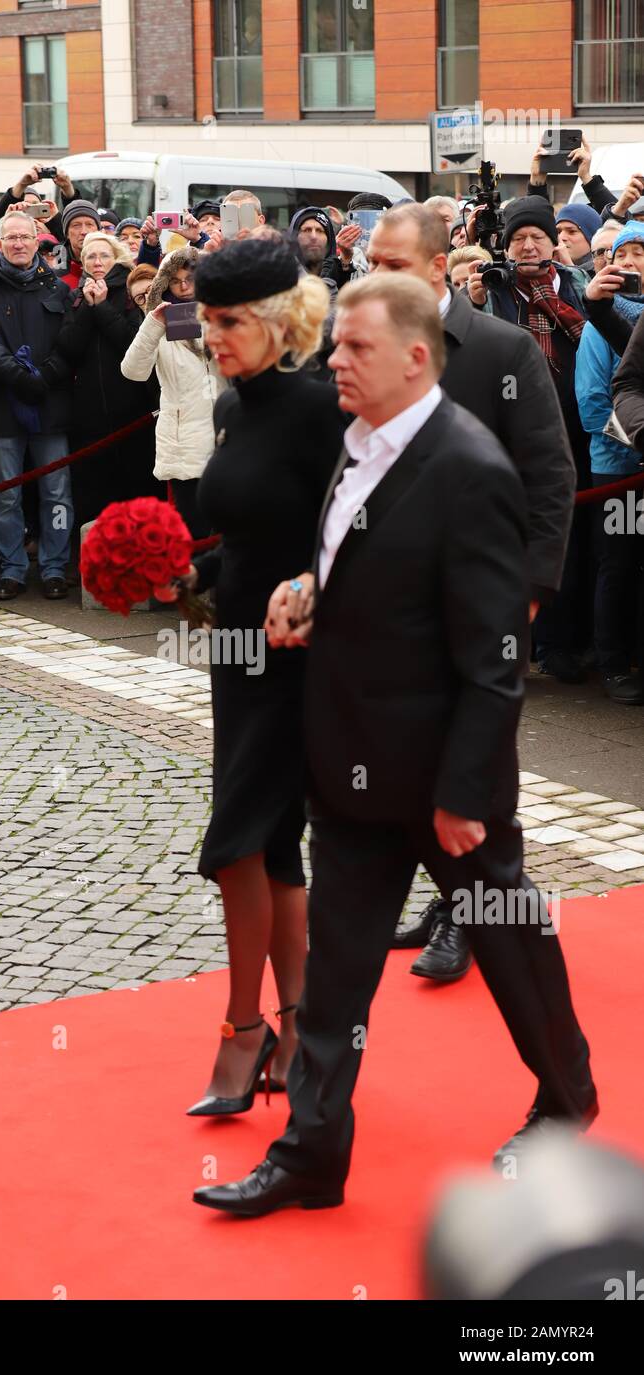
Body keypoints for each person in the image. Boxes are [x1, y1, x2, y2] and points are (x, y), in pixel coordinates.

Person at [193, 274, 598, 1217]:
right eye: (332, 344)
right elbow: (356, 567)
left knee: (511, 948)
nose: (332, 359)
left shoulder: (470, 470)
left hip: (444, 778)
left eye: (354, 347)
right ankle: (310, 1156)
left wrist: (464, 790)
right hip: (349, 766)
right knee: (334, 984)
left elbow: (499, 655)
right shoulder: (355, 447)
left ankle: (568, 1096)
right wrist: (307, 597)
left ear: (416, 357)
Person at [357, 202, 578, 982]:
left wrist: (528, 594)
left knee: (479, 763)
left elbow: (551, 479)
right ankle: (451, 897)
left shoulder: (502, 350)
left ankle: (477, 916)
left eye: (388, 264)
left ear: (433, 263)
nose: (373, 277)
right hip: (394, 603)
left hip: (483, 599)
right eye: (368, 263)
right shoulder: (364, 348)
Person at [171, 239, 347, 1111]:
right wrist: (185, 576)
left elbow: (353, 533)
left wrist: (314, 587)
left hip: (298, 659)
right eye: (205, 321)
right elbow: (241, 537)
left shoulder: (323, 413)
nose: (213, 337)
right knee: (273, 849)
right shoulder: (233, 410)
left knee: (233, 842)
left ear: (281, 324)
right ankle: (302, 1026)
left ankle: (245, 1031)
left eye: (229, 321)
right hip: (233, 656)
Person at [468, 197, 592, 688]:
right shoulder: (493, 288)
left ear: (553, 242)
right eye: (518, 238)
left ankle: (566, 642)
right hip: (510, 432)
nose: (527, 245)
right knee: (513, 541)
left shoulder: (577, 287)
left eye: (537, 236)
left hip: (575, 427)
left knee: (571, 538)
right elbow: (460, 342)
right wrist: (473, 301)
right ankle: (521, 645)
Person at [0, 210, 74, 600]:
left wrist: (44, 378)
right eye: (11, 238)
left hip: (51, 404)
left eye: (25, 237)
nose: (19, 244)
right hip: (3, 407)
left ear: (37, 240)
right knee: (6, 494)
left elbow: (69, 343)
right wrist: (21, 378)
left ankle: (55, 567)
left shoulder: (57, 287)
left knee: (56, 492)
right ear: (0, 243)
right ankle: (12, 568)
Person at [575, 224, 644, 706]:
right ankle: (613, 663)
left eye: (643, 253)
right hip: (618, 469)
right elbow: (594, 401)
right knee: (618, 565)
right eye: (627, 253)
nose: (634, 262)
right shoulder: (600, 324)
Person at [56, 232, 159, 528]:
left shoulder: (130, 291)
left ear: (116, 257)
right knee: (94, 495)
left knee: (137, 493)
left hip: (133, 411)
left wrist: (102, 307)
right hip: (90, 418)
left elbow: (133, 343)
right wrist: (89, 307)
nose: (97, 262)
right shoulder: (76, 296)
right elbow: (68, 347)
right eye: (90, 256)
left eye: (103, 255)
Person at [120, 247, 221, 537]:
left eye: (191, 277)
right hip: (184, 445)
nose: (185, 286)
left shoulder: (223, 313)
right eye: (176, 281)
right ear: (166, 284)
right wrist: (154, 323)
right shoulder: (159, 321)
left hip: (226, 439)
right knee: (194, 536)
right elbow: (133, 371)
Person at [322, 192, 391, 288]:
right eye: (359, 222)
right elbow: (328, 290)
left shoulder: (397, 254)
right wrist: (345, 258)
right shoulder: (344, 256)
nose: (366, 230)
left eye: (373, 222)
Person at [60, 199, 102, 289]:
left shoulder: (113, 270)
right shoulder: (55, 275)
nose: (84, 231)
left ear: (98, 230)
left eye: (89, 224)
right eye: (76, 225)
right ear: (67, 233)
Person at [555, 203, 602, 278]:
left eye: (572, 232)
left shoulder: (601, 272)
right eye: (558, 232)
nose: (561, 237)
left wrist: (570, 268)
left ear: (592, 238)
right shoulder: (548, 270)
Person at [289, 206, 336, 277]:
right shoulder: (281, 278)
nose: (314, 237)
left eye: (319, 231)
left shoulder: (343, 275)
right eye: (307, 230)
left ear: (329, 239)